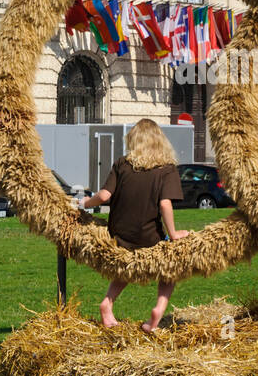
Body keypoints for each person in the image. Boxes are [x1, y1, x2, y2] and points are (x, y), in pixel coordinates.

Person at [80, 119, 188, 333]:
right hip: (148, 237)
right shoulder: (166, 169)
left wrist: (82, 203)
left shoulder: (122, 164)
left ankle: (108, 302)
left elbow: (103, 196)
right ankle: (158, 310)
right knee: (171, 268)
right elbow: (165, 203)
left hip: (118, 235)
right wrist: (173, 233)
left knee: (127, 262)